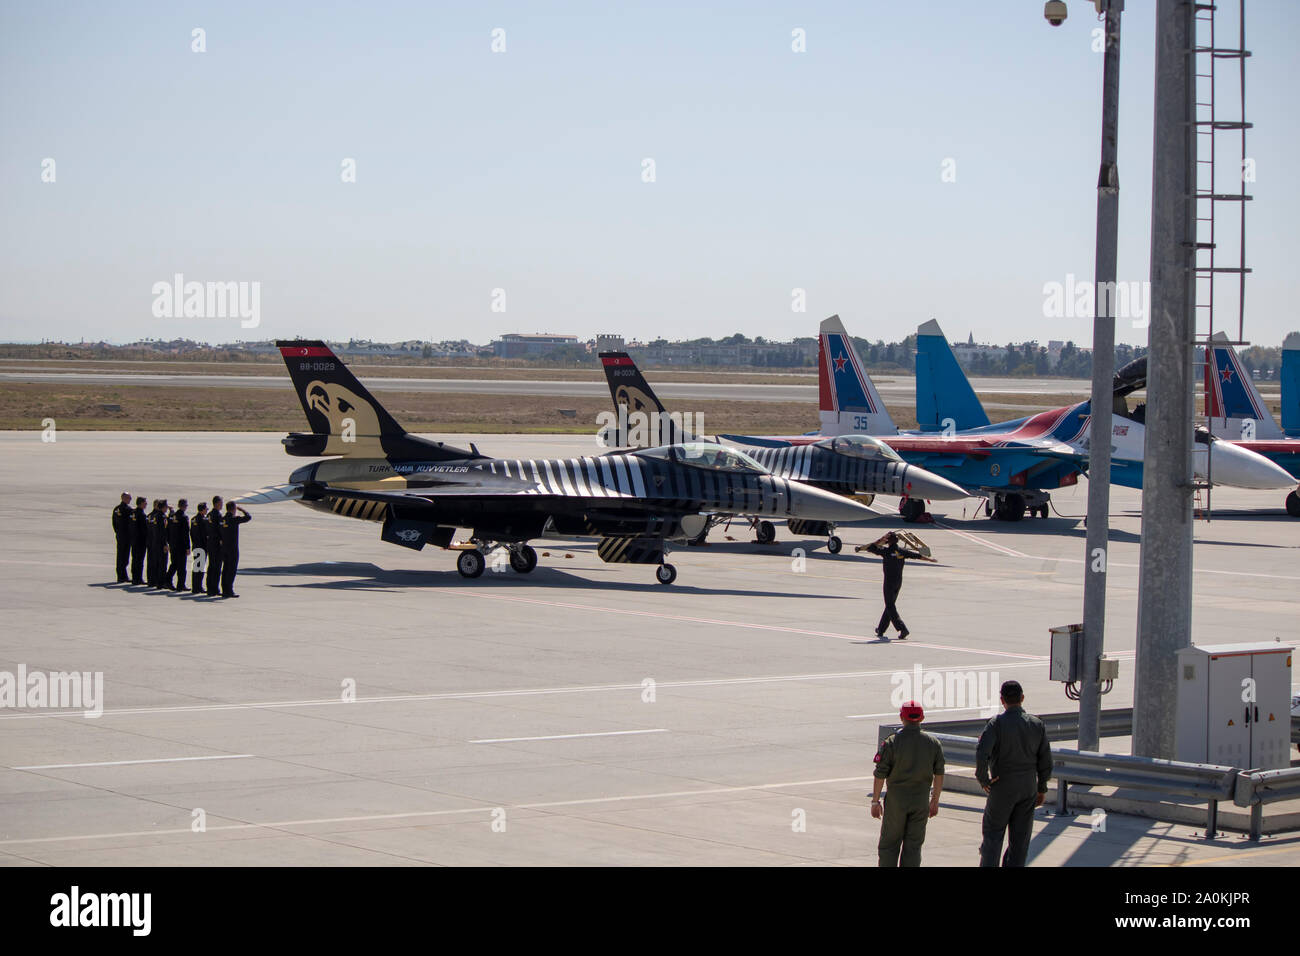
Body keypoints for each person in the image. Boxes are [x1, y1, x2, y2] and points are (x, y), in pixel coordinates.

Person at [975, 680, 1052, 867]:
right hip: (1027, 787)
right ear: (1022, 698)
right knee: (1020, 840)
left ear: (1002, 700)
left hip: (1002, 785)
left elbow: (982, 752)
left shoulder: (996, 724)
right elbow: (1046, 761)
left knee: (993, 836)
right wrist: (1041, 787)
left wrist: (984, 779)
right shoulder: (1036, 724)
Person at [871, 700, 945, 867]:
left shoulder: (892, 742)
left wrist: (875, 801)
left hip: (896, 802)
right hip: (920, 802)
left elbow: (880, 773)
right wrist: (935, 800)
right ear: (922, 718)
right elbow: (939, 773)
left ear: (901, 717)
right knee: (913, 847)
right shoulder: (933, 743)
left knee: (889, 845)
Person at [857, 531, 933, 639]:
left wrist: (881, 539)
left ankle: (902, 629)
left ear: (888, 541)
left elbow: (871, 547)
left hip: (889, 582)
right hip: (898, 582)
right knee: (890, 605)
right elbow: (917, 556)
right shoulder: (902, 552)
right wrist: (930, 560)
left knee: (890, 606)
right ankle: (881, 629)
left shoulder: (885, 551)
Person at [218, 501, 252, 598]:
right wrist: (242, 510)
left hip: (224, 548)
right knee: (231, 570)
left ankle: (224, 589)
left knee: (225, 569)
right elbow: (248, 517)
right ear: (234, 509)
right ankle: (229, 590)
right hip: (232, 548)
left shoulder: (222, 519)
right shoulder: (234, 519)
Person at [166, 499, 190, 591]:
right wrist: (187, 547)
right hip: (181, 546)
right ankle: (180, 585)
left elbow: (167, 530)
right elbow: (185, 534)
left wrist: (169, 541)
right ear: (184, 506)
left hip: (173, 544)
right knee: (181, 567)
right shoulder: (183, 517)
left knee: (174, 564)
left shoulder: (172, 517)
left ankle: (168, 580)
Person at [145, 499, 169, 589]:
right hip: (160, 543)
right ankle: (160, 582)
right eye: (166, 506)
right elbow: (162, 532)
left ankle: (153, 581)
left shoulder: (154, 516)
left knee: (155, 563)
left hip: (154, 543)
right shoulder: (162, 517)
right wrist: (165, 544)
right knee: (162, 564)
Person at [205, 495, 224, 597]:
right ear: (217, 503)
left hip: (210, 542)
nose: (222, 505)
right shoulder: (217, 515)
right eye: (221, 503)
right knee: (216, 567)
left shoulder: (209, 514)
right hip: (217, 544)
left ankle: (210, 587)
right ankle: (214, 588)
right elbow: (220, 529)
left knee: (211, 566)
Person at [112, 492, 133, 583]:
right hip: (126, 535)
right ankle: (122, 575)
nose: (130, 499)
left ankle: (121, 575)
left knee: (120, 555)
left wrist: (117, 532)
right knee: (124, 556)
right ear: (124, 498)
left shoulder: (116, 509)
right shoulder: (128, 509)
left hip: (120, 535)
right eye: (129, 498)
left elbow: (114, 522)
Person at [190, 502, 209, 595]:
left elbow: (191, 533)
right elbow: (205, 534)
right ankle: (198, 586)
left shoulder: (193, 519)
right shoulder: (203, 520)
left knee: (196, 567)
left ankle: (195, 586)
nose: (207, 510)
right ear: (202, 510)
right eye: (206, 509)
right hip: (202, 546)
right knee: (200, 568)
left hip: (195, 545)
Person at [129, 495, 148, 585]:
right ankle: (138, 578)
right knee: (139, 560)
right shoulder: (141, 514)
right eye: (145, 503)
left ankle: (134, 577)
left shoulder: (133, 513)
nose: (146, 504)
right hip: (140, 541)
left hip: (133, 539)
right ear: (141, 504)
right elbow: (144, 529)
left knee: (135, 559)